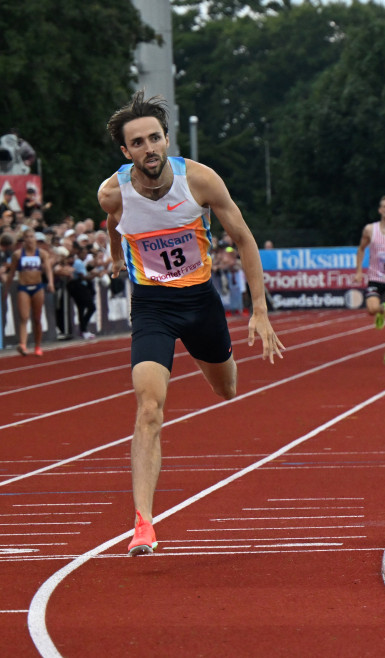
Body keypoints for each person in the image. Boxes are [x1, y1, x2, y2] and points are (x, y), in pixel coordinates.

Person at [99, 90, 283, 556]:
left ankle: (221, 363)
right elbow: (112, 222)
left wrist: (259, 310)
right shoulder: (111, 192)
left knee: (227, 389)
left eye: (154, 138)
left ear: (166, 140)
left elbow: (243, 238)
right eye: (137, 143)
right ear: (126, 152)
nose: (149, 148)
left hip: (200, 301)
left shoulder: (199, 180)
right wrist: (115, 258)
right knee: (148, 407)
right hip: (153, 305)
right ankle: (143, 522)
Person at [353, 196, 385, 366]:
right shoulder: (370, 229)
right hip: (375, 278)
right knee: (372, 309)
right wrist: (359, 271)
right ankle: (381, 310)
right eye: (384, 207)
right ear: (380, 210)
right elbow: (361, 249)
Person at [9, 229, 53, 355]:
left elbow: (48, 269)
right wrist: (6, 288)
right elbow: (12, 273)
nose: (29, 239)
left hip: (38, 287)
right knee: (24, 317)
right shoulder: (17, 255)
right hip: (23, 287)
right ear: (24, 240)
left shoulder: (42, 253)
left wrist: (50, 282)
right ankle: (22, 344)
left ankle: (37, 345)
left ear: (35, 239)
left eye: (31, 236)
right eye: (27, 237)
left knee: (37, 318)